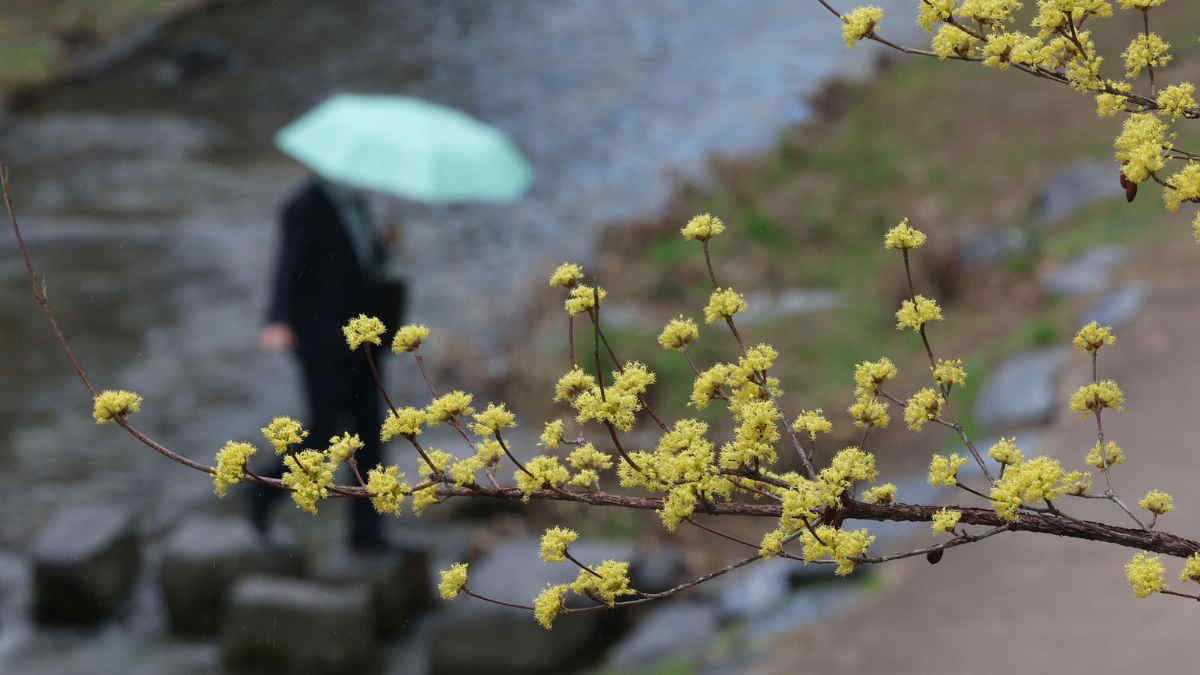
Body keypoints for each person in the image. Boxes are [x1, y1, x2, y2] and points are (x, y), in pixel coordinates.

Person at [254, 175, 401, 551]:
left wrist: (382, 247)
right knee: (325, 432)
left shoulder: (357, 201)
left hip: (365, 340)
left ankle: (367, 533)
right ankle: (261, 495)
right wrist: (277, 320)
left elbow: (358, 265)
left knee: (370, 430)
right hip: (320, 342)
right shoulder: (304, 205)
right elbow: (288, 268)